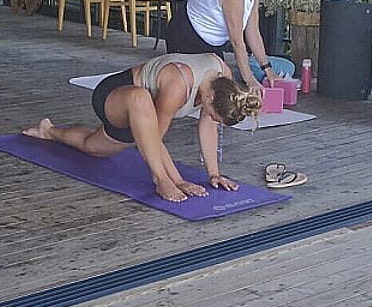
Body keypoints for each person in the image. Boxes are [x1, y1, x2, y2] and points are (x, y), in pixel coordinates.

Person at [23, 53, 262, 203]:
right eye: (212, 113)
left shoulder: (223, 79)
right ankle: (160, 180)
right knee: (141, 98)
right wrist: (175, 181)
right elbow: (153, 139)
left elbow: (208, 125)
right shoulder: (179, 84)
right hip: (115, 97)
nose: (209, 116)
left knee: (92, 147)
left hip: (143, 119)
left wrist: (213, 174)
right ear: (209, 99)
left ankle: (48, 130)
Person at [164, 0, 282, 92]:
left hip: (210, 43)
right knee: (206, 90)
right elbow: (237, 42)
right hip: (186, 34)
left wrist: (267, 69)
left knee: (222, 87)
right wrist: (250, 80)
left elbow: (252, 32)